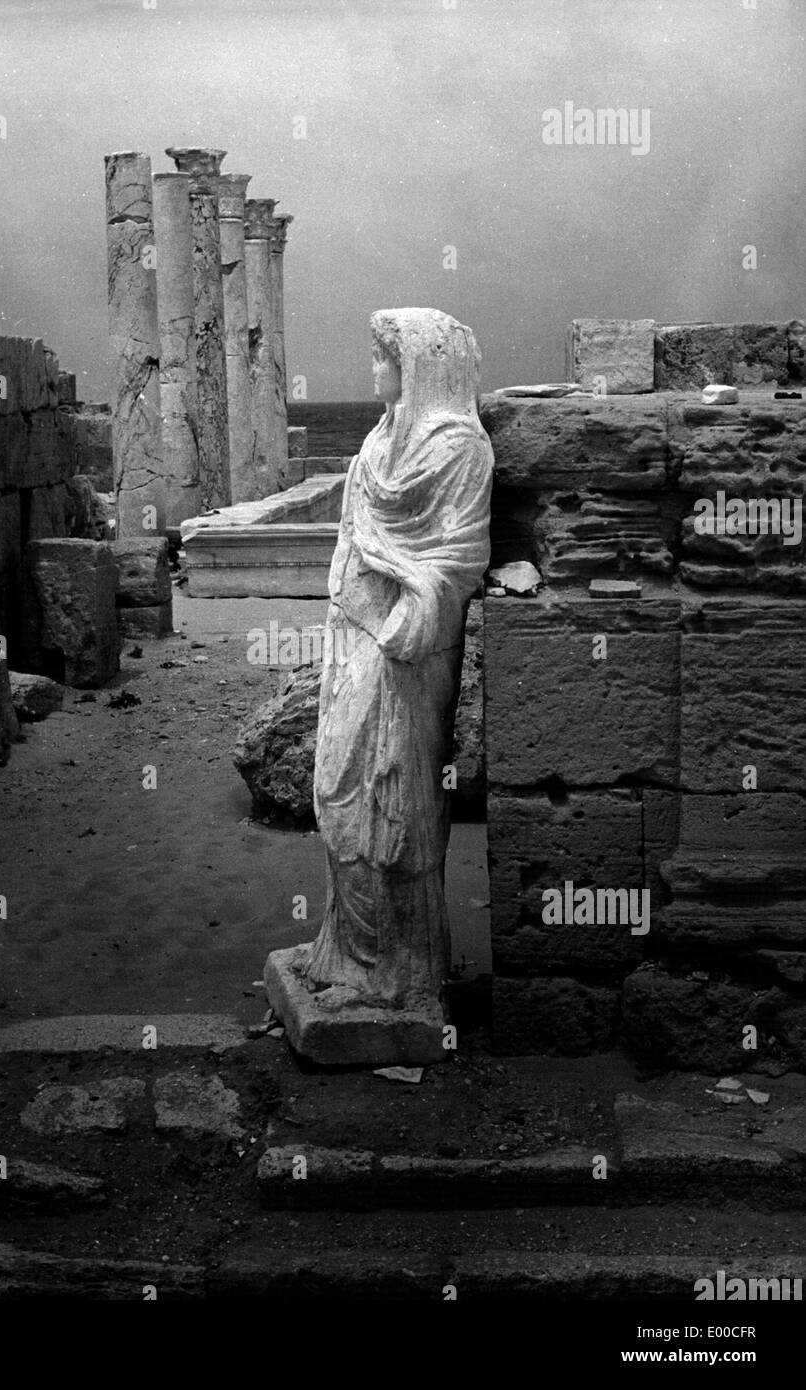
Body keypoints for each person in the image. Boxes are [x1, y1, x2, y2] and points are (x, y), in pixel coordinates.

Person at [298, 307, 493, 1014]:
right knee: (340, 789)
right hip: (355, 631)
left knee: (397, 808)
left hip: (406, 648)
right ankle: (346, 950)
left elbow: (461, 555)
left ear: (417, 365)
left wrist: (415, 615)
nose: (374, 369)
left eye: (385, 356)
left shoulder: (460, 448)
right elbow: (356, 539)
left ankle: (395, 972)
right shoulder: (380, 439)